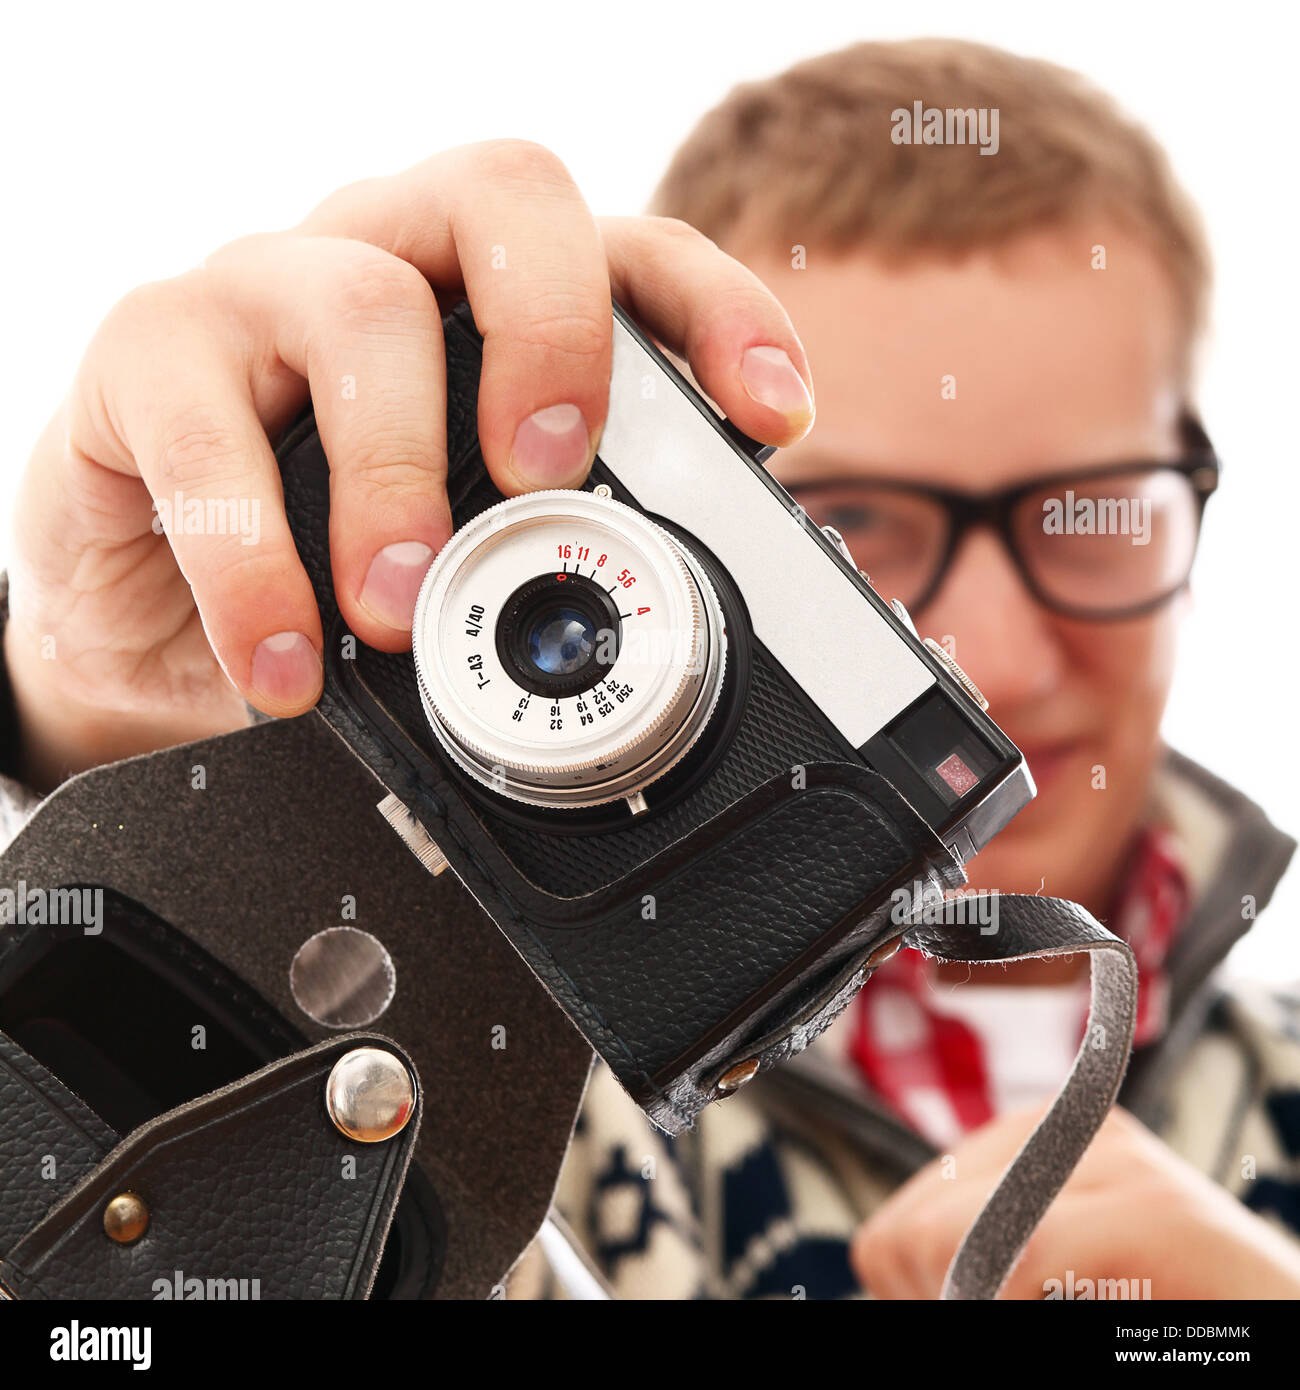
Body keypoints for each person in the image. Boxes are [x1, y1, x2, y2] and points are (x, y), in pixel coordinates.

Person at [1, 37, 1298, 1301]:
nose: (1002, 655)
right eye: (847, 540)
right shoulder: (449, 1087)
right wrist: (115, 718)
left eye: (1094, 508)